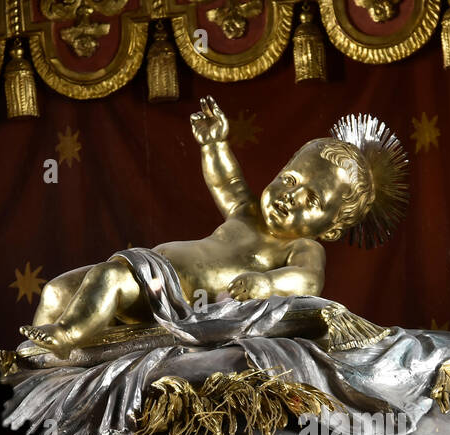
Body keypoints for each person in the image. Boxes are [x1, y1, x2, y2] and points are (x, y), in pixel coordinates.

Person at [20, 96, 408, 357]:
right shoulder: (248, 214)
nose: (290, 197)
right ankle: (39, 364)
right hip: (151, 266)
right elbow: (227, 183)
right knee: (56, 290)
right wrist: (214, 145)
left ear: (330, 230)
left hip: (168, 295)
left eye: (311, 200)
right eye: (290, 179)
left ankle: (69, 337)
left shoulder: (301, 248)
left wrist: (268, 284)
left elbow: (307, 282)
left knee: (106, 278)